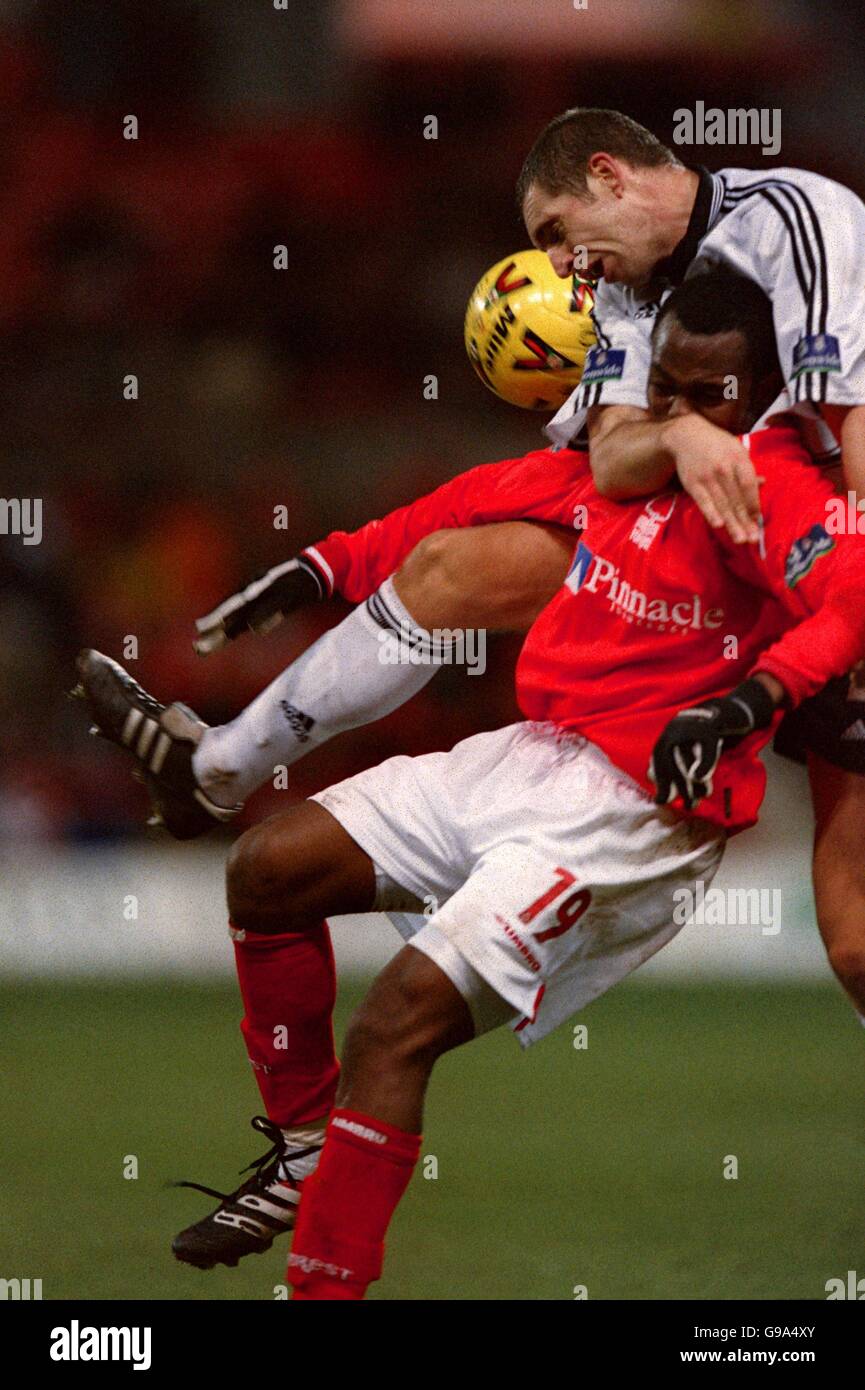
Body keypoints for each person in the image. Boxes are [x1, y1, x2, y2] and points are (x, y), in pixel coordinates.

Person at [77, 272, 865, 1289]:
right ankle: (303, 1146)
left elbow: (849, 601)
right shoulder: (626, 460)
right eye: (665, 386)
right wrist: (320, 567)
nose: (678, 410)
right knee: (269, 868)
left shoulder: (779, 487)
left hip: (631, 816)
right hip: (532, 754)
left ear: (758, 396)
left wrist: (751, 699)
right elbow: (469, 505)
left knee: (393, 1025)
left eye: (709, 392)